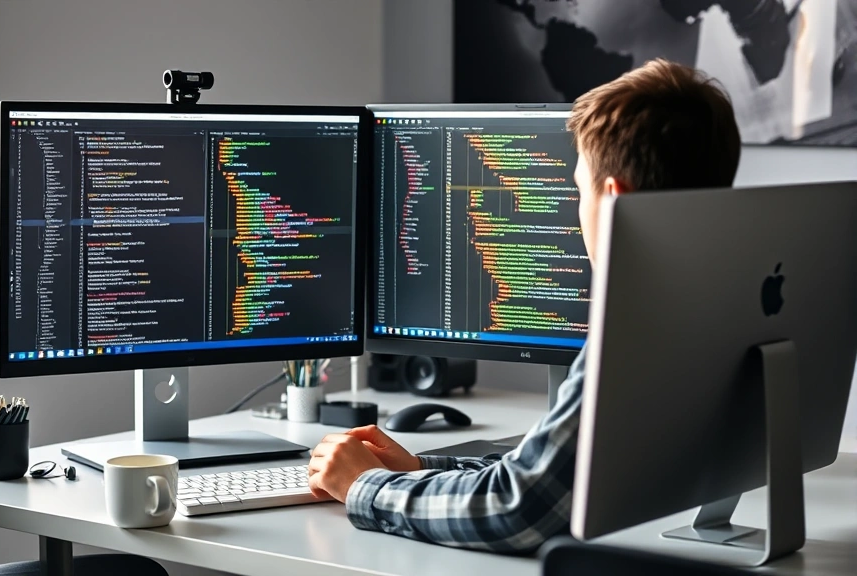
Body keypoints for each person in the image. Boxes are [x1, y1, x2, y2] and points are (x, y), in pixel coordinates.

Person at [306, 58, 743, 554]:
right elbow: (541, 477)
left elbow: (515, 512)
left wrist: (364, 487)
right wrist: (422, 470)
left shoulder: (636, 331)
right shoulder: (716, 298)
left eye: (577, 188)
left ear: (615, 198)